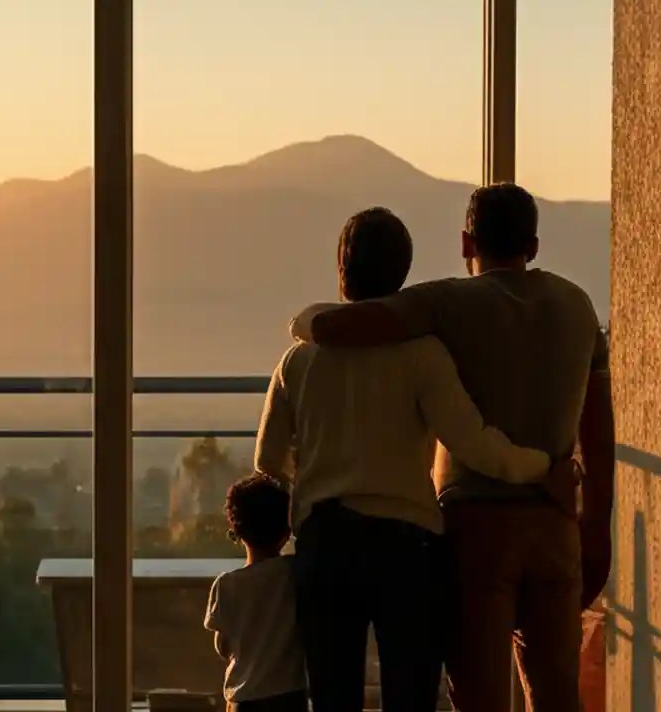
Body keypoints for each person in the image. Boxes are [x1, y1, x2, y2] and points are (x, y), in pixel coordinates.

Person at [288, 184, 615, 712]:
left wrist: (302, 322)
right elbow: (598, 431)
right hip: (555, 525)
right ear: (532, 245)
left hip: (475, 529)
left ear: (467, 243)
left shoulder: (447, 303)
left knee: (479, 697)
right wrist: (595, 525)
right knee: (557, 695)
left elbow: (336, 326)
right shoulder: (577, 307)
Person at [204, 475, 307, 712]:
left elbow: (223, 646)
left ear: (236, 531)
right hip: (289, 697)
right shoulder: (294, 573)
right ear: (285, 530)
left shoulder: (226, 585)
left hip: (244, 698)